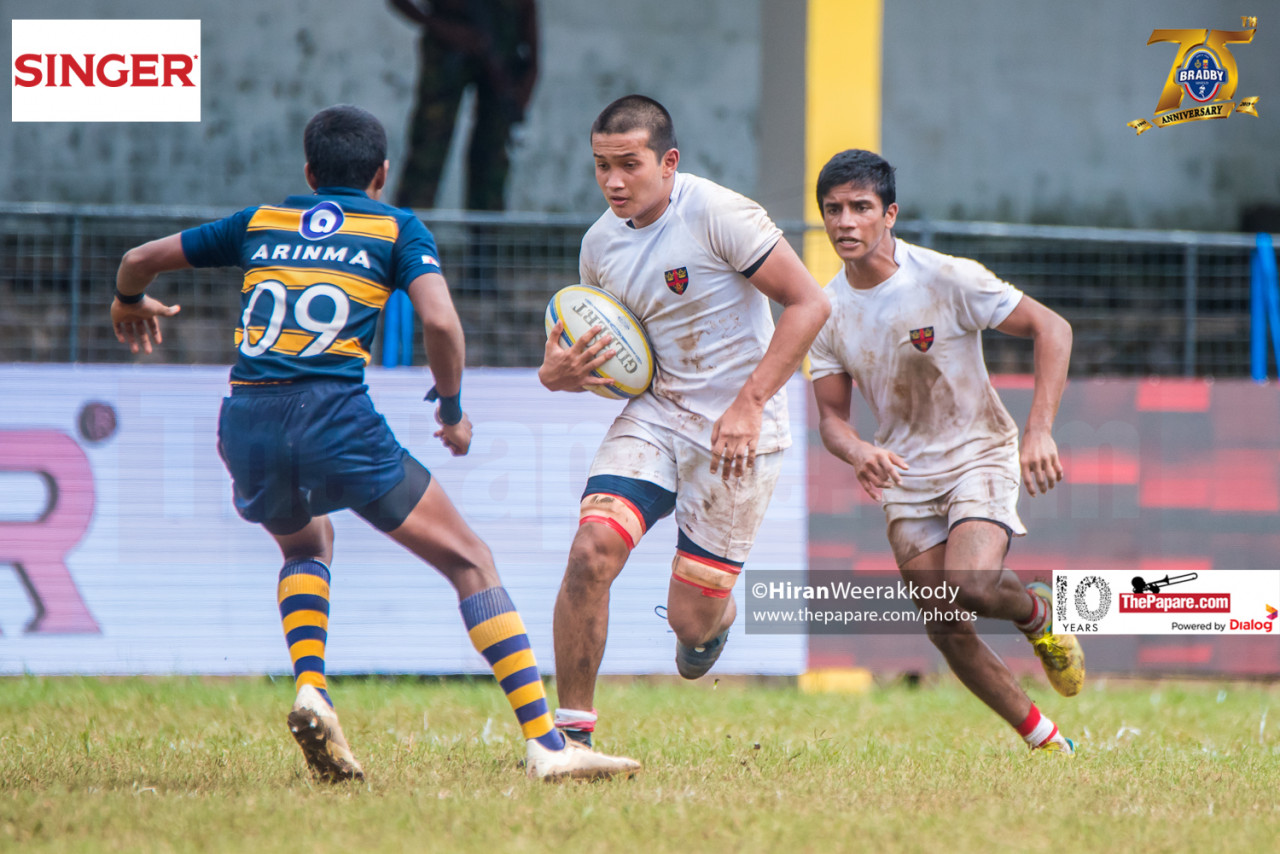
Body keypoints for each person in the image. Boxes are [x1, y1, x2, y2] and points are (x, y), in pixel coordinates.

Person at [109, 105, 639, 783]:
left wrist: (128, 301)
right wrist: (450, 407)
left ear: (308, 172)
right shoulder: (393, 227)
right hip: (335, 418)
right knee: (471, 561)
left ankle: (311, 686)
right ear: (381, 174)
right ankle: (548, 745)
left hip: (246, 420)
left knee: (305, 544)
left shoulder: (258, 222)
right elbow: (441, 323)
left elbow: (137, 260)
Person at [539, 95, 831, 747]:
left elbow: (810, 303)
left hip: (739, 433)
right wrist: (557, 375)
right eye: (600, 166)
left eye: (629, 164)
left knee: (689, 623)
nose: (613, 181)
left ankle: (713, 622)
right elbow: (613, 362)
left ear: (668, 162)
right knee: (590, 553)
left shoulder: (719, 213)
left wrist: (749, 403)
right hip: (656, 418)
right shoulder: (599, 247)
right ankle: (572, 738)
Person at [807, 149, 1083, 754]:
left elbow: (1052, 328)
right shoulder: (824, 311)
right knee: (946, 624)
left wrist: (1039, 430)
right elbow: (831, 418)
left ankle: (1036, 614)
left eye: (860, 208)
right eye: (833, 210)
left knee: (971, 583)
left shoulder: (947, 277)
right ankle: (1047, 742)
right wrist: (856, 450)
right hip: (905, 476)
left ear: (890, 214)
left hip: (977, 452)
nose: (845, 223)